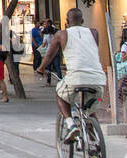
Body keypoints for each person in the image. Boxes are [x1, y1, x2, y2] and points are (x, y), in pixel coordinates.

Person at [36, 8, 106, 139]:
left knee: (61, 95)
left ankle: (71, 125)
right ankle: (94, 143)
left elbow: (49, 55)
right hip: (98, 78)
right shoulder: (94, 32)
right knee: (89, 110)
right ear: (83, 20)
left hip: (75, 77)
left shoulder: (61, 34)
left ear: (67, 22)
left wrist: (40, 68)